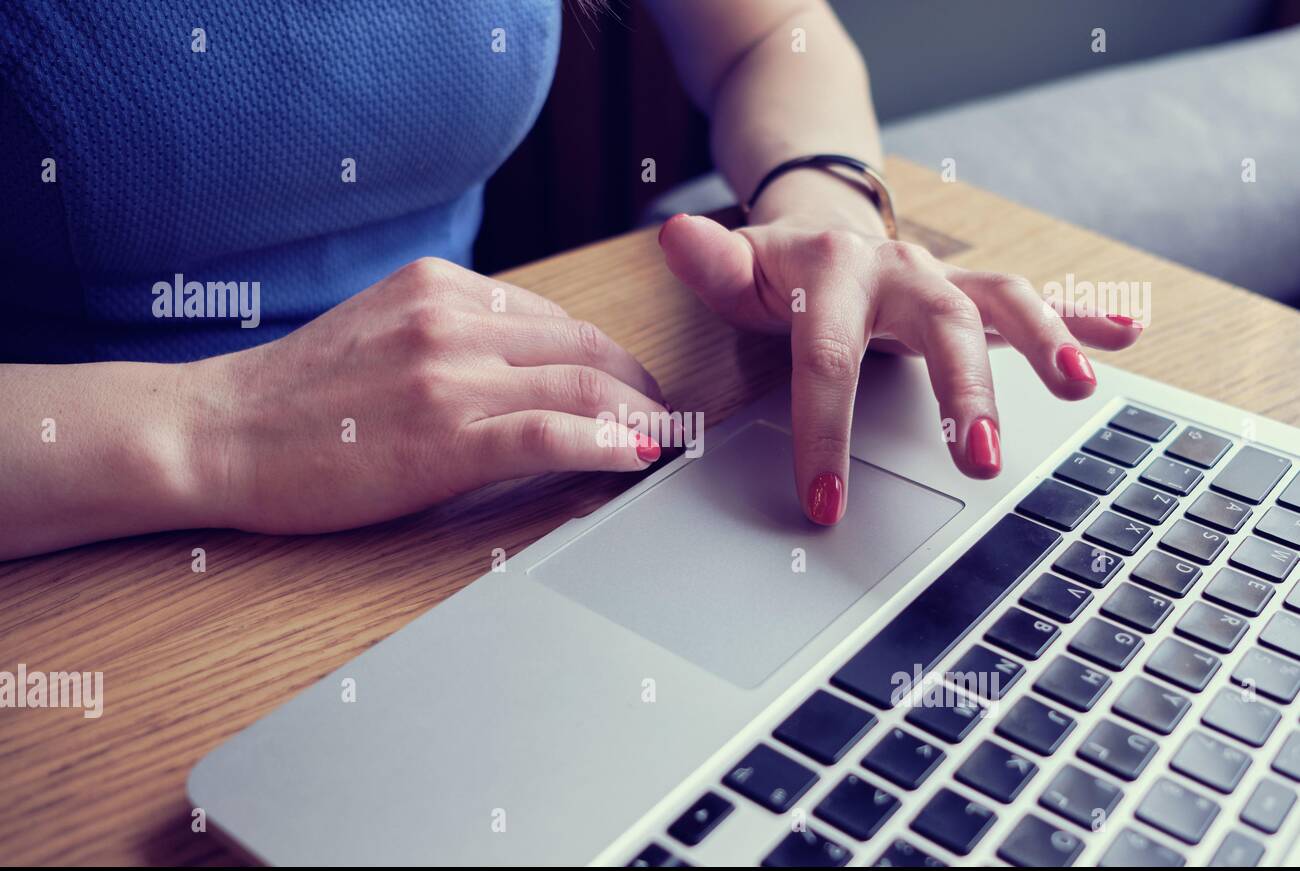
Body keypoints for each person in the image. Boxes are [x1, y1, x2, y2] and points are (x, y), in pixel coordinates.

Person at [0, 0, 1140, 561]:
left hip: (449, 490)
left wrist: (823, 208)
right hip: (82, 545)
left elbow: (772, 33)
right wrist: (222, 427)